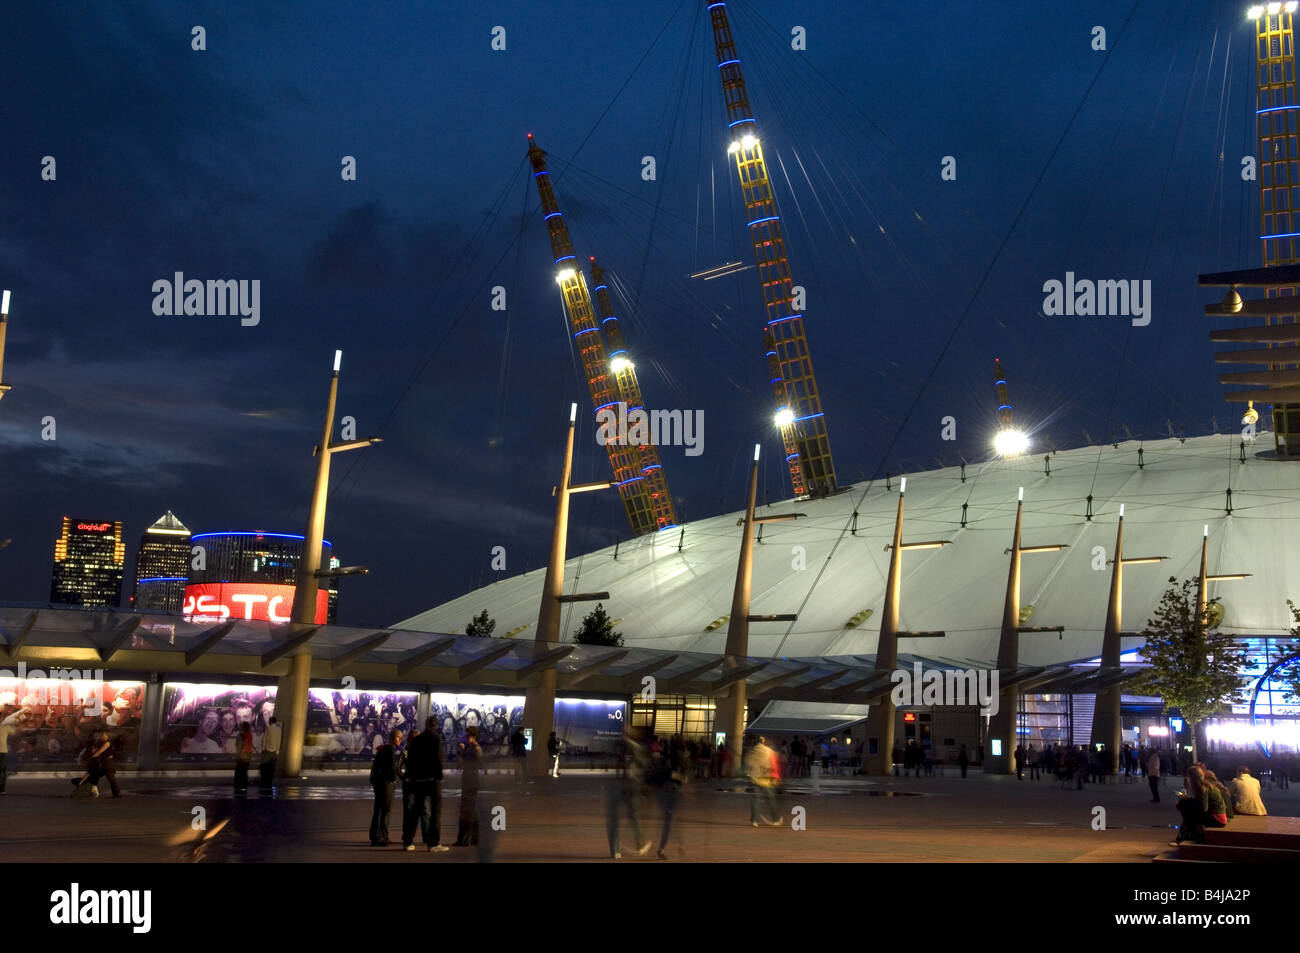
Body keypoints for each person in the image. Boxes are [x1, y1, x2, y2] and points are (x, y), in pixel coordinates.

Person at [402, 716, 449, 852]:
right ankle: (433, 843)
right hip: (432, 780)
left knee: (414, 812)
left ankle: (408, 841)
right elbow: (439, 759)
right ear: (436, 725)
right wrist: (439, 776)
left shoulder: (417, 740)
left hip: (417, 780)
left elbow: (410, 760)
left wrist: (412, 776)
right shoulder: (436, 739)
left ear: (426, 724)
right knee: (434, 812)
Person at [607, 727, 651, 859]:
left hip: (617, 785)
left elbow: (614, 764)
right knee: (634, 816)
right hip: (631, 786)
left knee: (614, 820)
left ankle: (615, 851)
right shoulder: (637, 748)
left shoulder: (617, 745)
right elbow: (641, 769)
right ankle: (641, 844)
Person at [369, 729, 402, 846]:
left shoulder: (382, 749)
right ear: (393, 738)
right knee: (386, 810)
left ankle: (375, 835)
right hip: (386, 783)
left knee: (378, 809)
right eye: (399, 737)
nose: (401, 739)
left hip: (379, 783)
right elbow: (392, 768)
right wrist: (395, 779)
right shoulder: (390, 750)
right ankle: (381, 836)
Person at [744, 735, 781, 827]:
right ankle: (776, 819)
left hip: (756, 779)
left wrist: (750, 774)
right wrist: (776, 777)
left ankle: (754, 821)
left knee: (756, 800)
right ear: (764, 742)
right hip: (767, 780)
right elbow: (774, 765)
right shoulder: (769, 752)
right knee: (771, 800)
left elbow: (747, 763)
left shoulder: (752, 751)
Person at [455, 726, 483, 846]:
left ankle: (464, 839)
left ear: (473, 736)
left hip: (470, 781)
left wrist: (463, 753)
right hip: (469, 781)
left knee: (467, 810)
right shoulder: (471, 748)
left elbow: (474, 764)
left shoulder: (475, 749)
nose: (466, 738)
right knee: (471, 810)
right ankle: (473, 838)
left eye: (468, 736)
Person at [73, 731, 120, 798]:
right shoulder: (100, 743)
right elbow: (95, 751)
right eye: (102, 735)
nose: (102, 736)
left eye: (103, 735)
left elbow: (99, 752)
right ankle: (90, 789)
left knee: (111, 778)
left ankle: (117, 793)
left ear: (107, 736)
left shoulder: (107, 743)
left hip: (108, 764)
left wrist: (91, 757)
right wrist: (93, 750)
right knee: (94, 775)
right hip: (103, 764)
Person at [259, 716, 281, 793]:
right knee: (271, 769)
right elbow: (279, 741)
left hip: (267, 752)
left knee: (265, 768)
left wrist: (263, 749)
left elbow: (264, 739)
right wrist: (277, 751)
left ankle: (264, 783)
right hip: (274, 752)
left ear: (270, 721)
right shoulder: (278, 730)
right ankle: (269, 783)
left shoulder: (268, 729)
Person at [233, 721, 254, 794]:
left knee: (239, 772)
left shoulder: (240, 735)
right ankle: (244, 786)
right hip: (248, 756)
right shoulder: (249, 734)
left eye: (241, 726)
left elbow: (239, 746)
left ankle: (239, 787)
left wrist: (238, 756)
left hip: (242, 756)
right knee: (244, 772)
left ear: (243, 727)